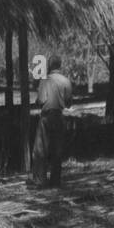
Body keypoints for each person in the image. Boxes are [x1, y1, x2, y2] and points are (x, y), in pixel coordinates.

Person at [31, 55, 73, 188]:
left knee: (40, 149)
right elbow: (68, 103)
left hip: (46, 117)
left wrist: (38, 101)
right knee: (57, 149)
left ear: (49, 65)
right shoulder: (66, 81)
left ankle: (40, 180)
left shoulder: (45, 80)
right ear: (60, 65)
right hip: (59, 116)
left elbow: (41, 100)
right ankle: (55, 181)